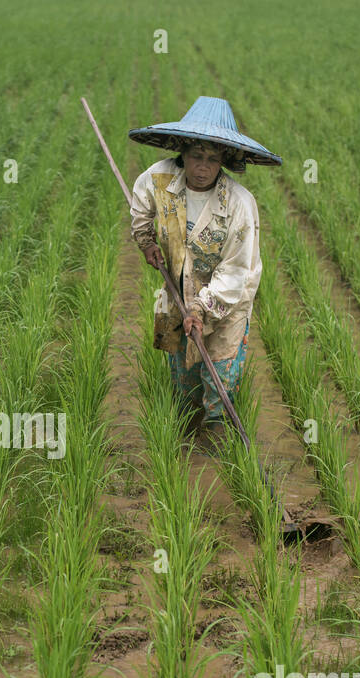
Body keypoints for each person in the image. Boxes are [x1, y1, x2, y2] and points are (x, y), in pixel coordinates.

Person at [127, 96, 281, 442]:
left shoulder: (239, 204)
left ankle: (215, 436)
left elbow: (236, 271)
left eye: (213, 159)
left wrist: (200, 307)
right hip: (176, 288)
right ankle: (183, 431)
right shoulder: (161, 178)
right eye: (197, 156)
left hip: (226, 301)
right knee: (182, 372)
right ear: (183, 152)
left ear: (224, 161)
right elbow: (140, 203)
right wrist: (146, 240)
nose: (203, 166)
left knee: (220, 373)